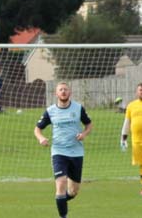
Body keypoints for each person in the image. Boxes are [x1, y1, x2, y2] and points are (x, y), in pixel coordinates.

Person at [34, 82, 93, 218]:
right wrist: (41, 138)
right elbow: (37, 129)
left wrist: (84, 134)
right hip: (58, 152)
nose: (63, 92)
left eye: (66, 89)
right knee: (61, 184)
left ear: (70, 92)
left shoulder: (78, 108)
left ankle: (60, 201)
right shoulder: (50, 111)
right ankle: (63, 215)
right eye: (61, 90)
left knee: (73, 191)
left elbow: (89, 124)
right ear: (56, 93)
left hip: (77, 153)